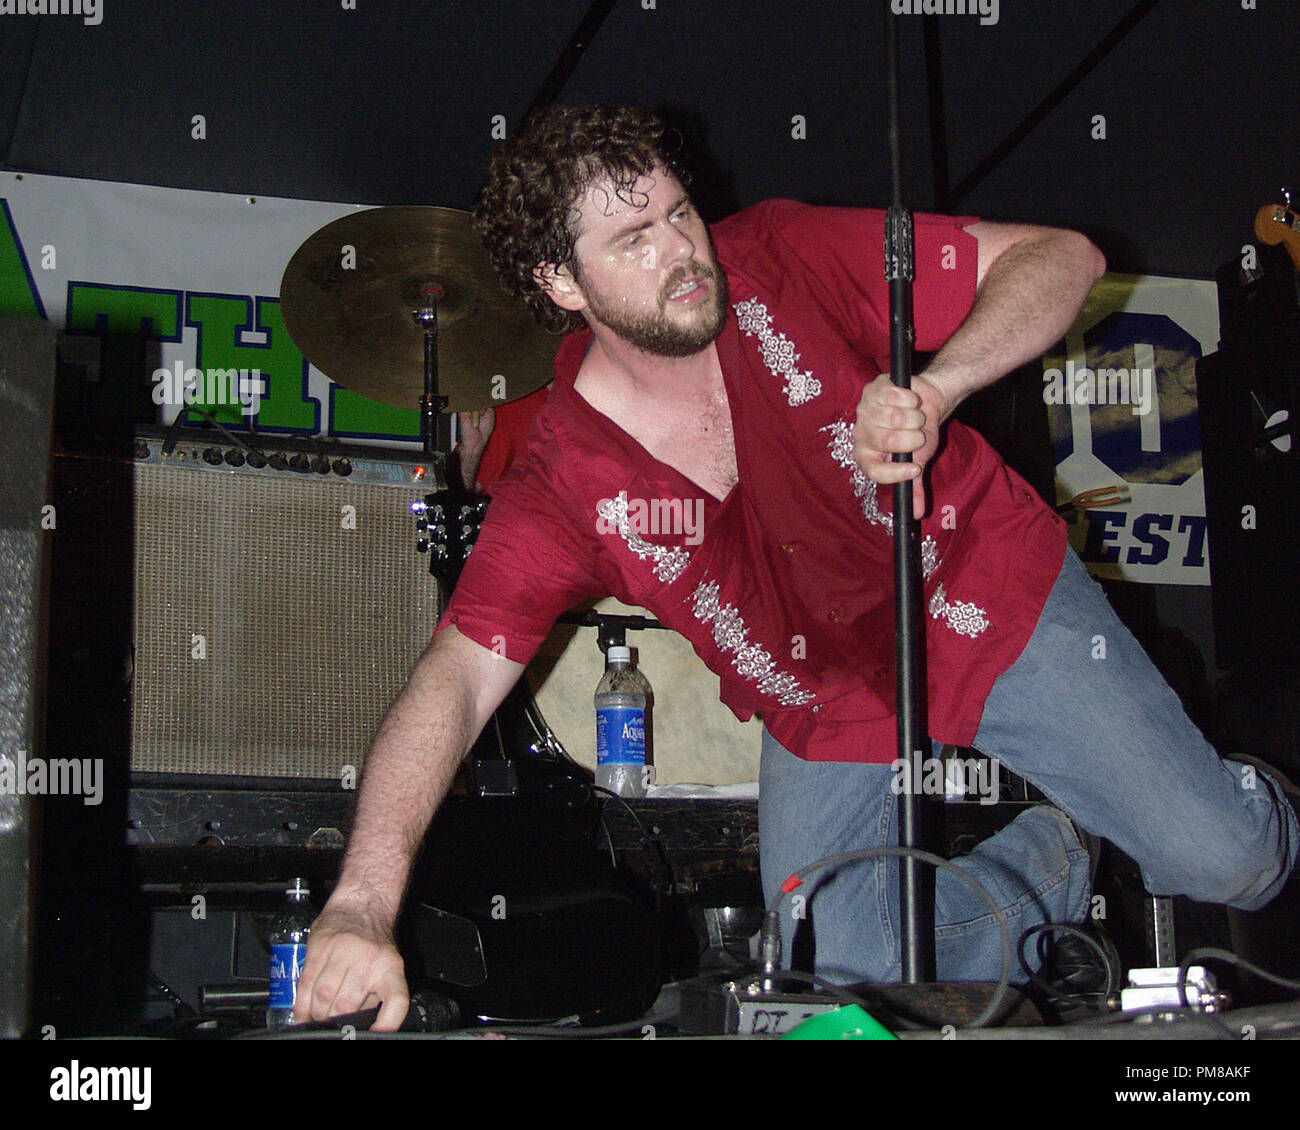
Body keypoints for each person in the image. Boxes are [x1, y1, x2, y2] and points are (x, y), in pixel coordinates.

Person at [295, 104, 1298, 1030]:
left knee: (1226, 860)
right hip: (821, 689)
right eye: (632, 240)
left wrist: (936, 386)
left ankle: (1231, 794)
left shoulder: (779, 253)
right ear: (563, 283)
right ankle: (1058, 851)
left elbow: (1060, 258)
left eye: (678, 212)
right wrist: (360, 901)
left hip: (976, 592)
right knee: (830, 963)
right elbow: (458, 678)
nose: (681, 252)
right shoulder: (565, 483)